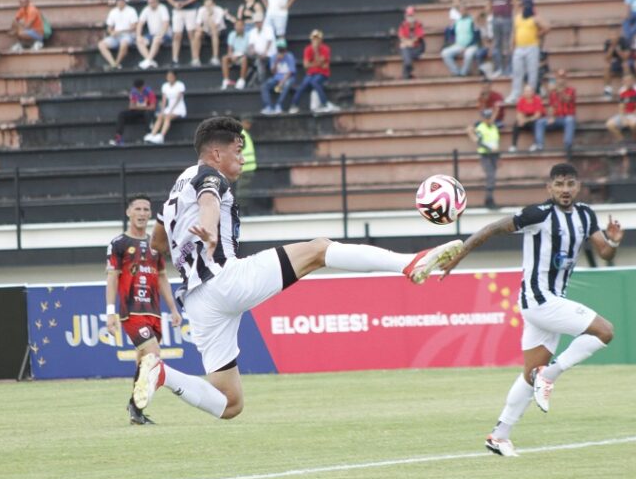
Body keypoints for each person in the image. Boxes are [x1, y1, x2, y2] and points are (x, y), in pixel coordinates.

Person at [132, 116, 465, 420]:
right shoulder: (211, 177)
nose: (243, 158)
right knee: (319, 250)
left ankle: (163, 373)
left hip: (198, 301)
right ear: (217, 154)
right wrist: (208, 228)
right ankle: (409, 263)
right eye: (238, 150)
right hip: (226, 280)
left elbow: (158, 243)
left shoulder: (179, 184)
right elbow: (209, 201)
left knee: (230, 403)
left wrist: (190, 242)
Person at [439, 162, 623, 457]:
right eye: (559, 184)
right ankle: (549, 374)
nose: (565, 190)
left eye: (570, 184)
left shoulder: (585, 215)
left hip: (548, 303)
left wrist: (612, 241)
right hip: (539, 300)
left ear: (578, 187)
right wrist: (459, 255)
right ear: (549, 188)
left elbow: (604, 252)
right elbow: (491, 228)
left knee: (529, 375)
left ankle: (499, 436)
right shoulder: (538, 214)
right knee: (605, 331)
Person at [106, 194, 182, 425]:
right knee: (153, 355)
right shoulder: (119, 243)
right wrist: (110, 312)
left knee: (142, 361)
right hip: (132, 312)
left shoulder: (155, 245)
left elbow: (162, 277)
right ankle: (135, 405)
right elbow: (112, 278)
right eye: (137, 209)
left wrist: (173, 309)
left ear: (150, 214)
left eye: (146, 209)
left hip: (154, 312)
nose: (142, 213)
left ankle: (136, 412)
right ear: (128, 212)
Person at [507, 0, 548, 102]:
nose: (526, 7)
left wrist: (539, 34)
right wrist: (512, 44)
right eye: (524, 5)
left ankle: (531, 94)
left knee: (532, 72)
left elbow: (547, 27)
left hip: (532, 47)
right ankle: (515, 94)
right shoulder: (517, 17)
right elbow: (514, 32)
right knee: (517, 71)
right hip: (519, 47)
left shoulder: (535, 18)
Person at [290, 29, 339, 114]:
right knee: (303, 85)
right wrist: (317, 64)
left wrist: (315, 52)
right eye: (313, 38)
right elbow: (306, 65)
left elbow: (323, 64)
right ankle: (294, 105)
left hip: (322, 73)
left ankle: (325, 104)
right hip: (311, 73)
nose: (315, 40)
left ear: (321, 39)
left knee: (314, 82)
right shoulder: (307, 49)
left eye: (317, 38)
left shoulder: (325, 49)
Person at [486, 0, 520, 77]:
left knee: (507, 44)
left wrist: (516, 16)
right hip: (496, 18)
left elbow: (515, 1)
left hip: (507, 18)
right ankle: (498, 68)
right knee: (497, 44)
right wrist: (488, 17)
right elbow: (488, 3)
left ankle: (509, 69)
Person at [534, 70, 577, 157]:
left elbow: (567, 99)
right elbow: (551, 107)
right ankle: (539, 145)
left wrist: (558, 90)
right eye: (559, 78)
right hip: (556, 118)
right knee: (540, 122)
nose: (561, 80)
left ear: (565, 79)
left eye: (562, 78)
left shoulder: (571, 90)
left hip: (566, 118)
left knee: (570, 120)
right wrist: (551, 117)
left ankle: (568, 145)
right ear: (556, 79)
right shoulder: (552, 93)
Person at [166, 0, 201, 65]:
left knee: (191, 33)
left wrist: (185, 3)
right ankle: (175, 59)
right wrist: (174, 3)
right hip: (177, 10)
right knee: (177, 34)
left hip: (190, 10)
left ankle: (195, 58)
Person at [467, 108, 501, 208]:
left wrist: (498, 156)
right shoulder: (481, 128)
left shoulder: (494, 127)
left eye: (489, 117)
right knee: (490, 176)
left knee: (493, 177)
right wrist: (490, 149)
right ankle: (489, 200)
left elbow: (495, 141)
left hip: (494, 155)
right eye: (487, 118)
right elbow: (479, 142)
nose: (488, 119)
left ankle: (490, 199)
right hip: (486, 155)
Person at [98, 0, 138, 70]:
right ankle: (113, 64)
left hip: (128, 36)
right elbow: (109, 27)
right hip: (116, 37)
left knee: (124, 43)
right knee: (101, 44)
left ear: (125, 1)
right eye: (118, 0)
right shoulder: (113, 12)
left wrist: (119, 32)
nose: (120, 2)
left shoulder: (131, 11)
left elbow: (134, 27)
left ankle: (116, 64)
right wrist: (111, 32)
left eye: (121, 0)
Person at [110, 79, 157, 146]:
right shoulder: (133, 91)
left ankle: (149, 135)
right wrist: (139, 107)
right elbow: (131, 106)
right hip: (137, 111)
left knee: (148, 114)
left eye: (139, 88)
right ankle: (118, 136)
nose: (138, 90)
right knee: (121, 114)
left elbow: (152, 107)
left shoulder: (149, 92)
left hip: (146, 112)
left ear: (143, 86)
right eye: (137, 88)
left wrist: (138, 107)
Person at [144, 70, 186, 144]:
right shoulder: (165, 86)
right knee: (160, 116)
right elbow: (164, 100)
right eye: (168, 76)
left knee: (167, 117)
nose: (169, 78)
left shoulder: (180, 85)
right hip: (169, 108)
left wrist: (171, 110)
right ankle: (152, 135)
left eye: (171, 76)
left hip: (179, 108)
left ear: (175, 77)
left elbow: (178, 99)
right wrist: (162, 110)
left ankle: (161, 136)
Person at [605, 73, 636, 144]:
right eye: (626, 81)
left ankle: (635, 140)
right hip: (625, 114)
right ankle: (622, 141)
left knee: (633, 124)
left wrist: (632, 117)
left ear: (633, 81)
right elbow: (621, 107)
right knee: (609, 124)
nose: (628, 82)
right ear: (623, 82)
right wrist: (623, 118)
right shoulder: (622, 91)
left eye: (630, 80)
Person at [441, 6, 479, 76]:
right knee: (445, 53)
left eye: (463, 10)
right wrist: (450, 27)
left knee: (468, 54)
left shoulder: (472, 21)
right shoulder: (457, 22)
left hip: (471, 45)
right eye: (460, 11)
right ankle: (456, 72)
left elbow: (476, 37)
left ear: (467, 11)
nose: (462, 12)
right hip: (459, 45)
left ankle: (463, 73)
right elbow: (452, 33)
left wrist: (466, 46)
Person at [261, 39, 296, 115]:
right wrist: (277, 61)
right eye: (279, 49)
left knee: (286, 84)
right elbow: (273, 72)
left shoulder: (290, 56)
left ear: (285, 48)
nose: (281, 51)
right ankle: (268, 107)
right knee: (265, 85)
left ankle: (278, 105)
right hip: (276, 78)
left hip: (288, 78)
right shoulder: (274, 57)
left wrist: (282, 82)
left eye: (282, 49)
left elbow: (290, 72)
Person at [136, 0, 170, 70]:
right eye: (150, 2)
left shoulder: (162, 8)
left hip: (165, 35)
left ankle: (148, 61)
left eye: (153, 2)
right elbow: (140, 24)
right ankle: (150, 61)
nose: (151, 4)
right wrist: (138, 35)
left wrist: (161, 35)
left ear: (157, 1)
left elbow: (166, 23)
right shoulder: (146, 9)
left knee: (156, 39)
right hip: (151, 35)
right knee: (139, 41)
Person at [509, 84, 544, 153]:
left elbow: (537, 115)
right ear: (523, 92)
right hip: (524, 118)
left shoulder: (537, 99)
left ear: (533, 92)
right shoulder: (521, 100)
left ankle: (535, 144)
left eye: (529, 91)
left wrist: (526, 120)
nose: (528, 93)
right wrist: (521, 120)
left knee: (536, 124)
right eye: (526, 91)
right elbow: (519, 113)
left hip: (533, 119)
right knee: (516, 124)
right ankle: (513, 145)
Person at [193, 0, 226, 66]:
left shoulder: (219, 10)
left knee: (214, 32)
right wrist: (202, 29)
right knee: (197, 34)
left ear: (214, 4)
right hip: (206, 30)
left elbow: (214, 26)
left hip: (219, 31)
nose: (208, 7)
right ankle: (196, 59)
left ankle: (215, 57)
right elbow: (197, 25)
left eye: (210, 5)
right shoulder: (201, 10)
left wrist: (210, 15)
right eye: (206, 5)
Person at [247, 11, 277, 81]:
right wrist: (252, 50)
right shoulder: (252, 32)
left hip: (269, 54)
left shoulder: (268, 29)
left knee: (259, 61)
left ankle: (261, 80)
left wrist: (265, 52)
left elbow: (269, 41)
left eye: (259, 22)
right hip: (257, 54)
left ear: (262, 22)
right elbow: (251, 45)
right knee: (247, 54)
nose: (258, 24)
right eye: (256, 22)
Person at [603, 28, 631, 99]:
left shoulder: (624, 41)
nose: (613, 37)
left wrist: (618, 50)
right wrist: (611, 49)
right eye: (611, 35)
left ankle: (625, 88)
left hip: (622, 62)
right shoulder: (607, 43)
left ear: (618, 35)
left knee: (625, 64)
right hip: (613, 63)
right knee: (606, 66)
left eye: (615, 34)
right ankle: (607, 89)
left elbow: (626, 57)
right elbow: (606, 59)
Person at [222, 18, 250, 89]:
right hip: (234, 56)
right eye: (237, 25)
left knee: (244, 59)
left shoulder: (248, 36)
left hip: (244, 56)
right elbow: (230, 49)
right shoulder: (232, 35)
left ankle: (242, 80)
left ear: (243, 26)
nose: (238, 27)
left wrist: (238, 56)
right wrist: (231, 56)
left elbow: (247, 50)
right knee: (224, 58)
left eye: (240, 25)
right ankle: (226, 80)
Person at [398, 5, 425, 79]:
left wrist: (410, 42)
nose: (410, 17)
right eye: (408, 15)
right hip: (407, 46)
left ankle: (406, 72)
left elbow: (419, 37)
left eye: (411, 15)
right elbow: (401, 37)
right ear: (405, 16)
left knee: (405, 52)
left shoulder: (418, 24)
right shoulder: (403, 25)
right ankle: (408, 70)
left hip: (417, 47)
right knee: (404, 49)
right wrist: (407, 43)